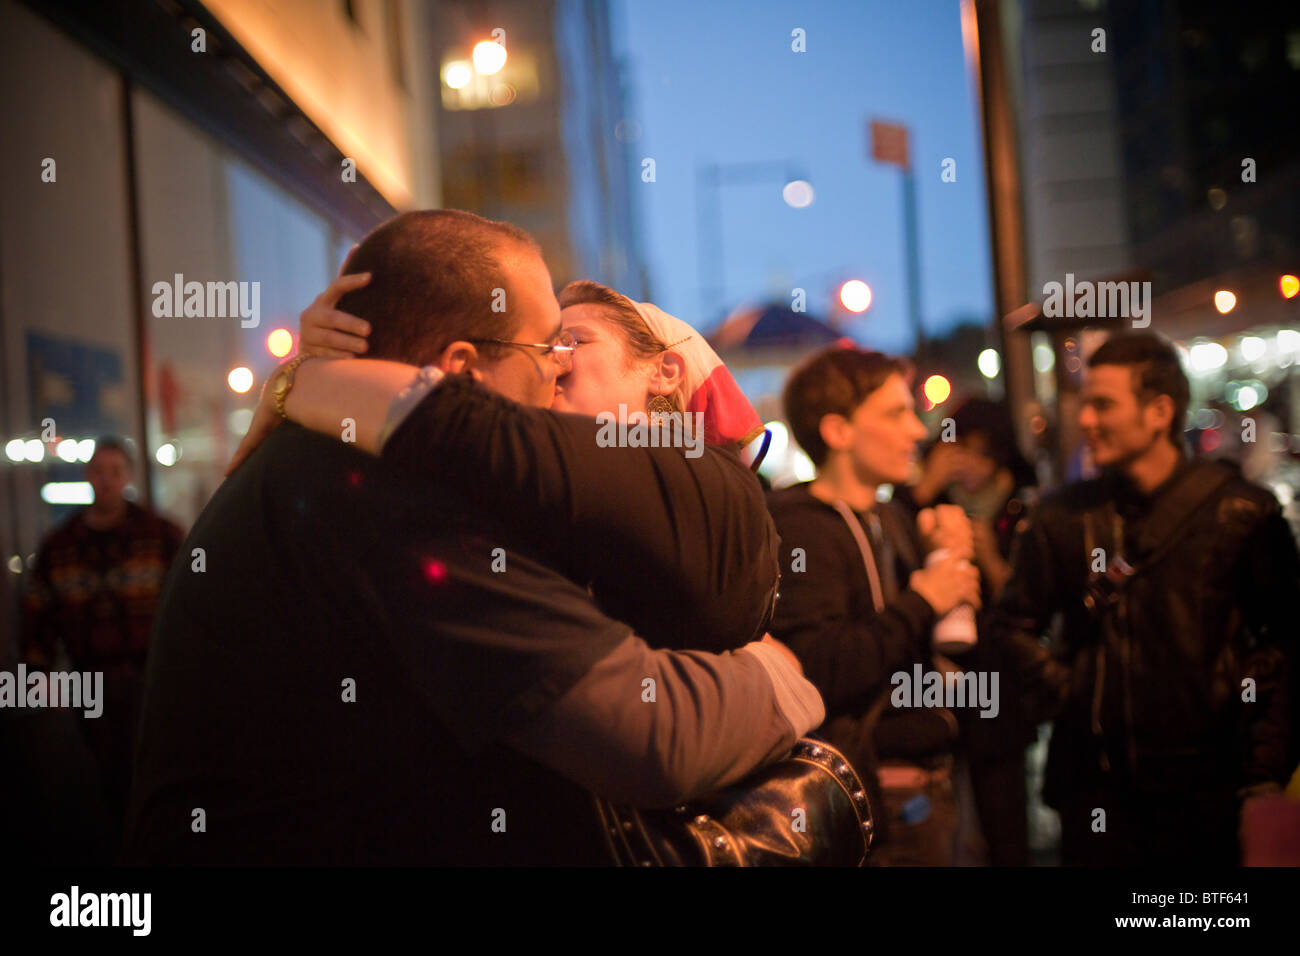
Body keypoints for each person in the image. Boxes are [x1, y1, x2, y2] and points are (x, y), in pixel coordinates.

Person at [126, 210, 822, 865]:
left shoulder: (338, 463)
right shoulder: (376, 493)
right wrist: (778, 674)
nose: (558, 365)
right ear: (462, 369)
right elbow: (650, 736)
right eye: (548, 343)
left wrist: (301, 383)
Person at [992, 332, 1300, 866]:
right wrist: (1072, 692)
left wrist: (1262, 773)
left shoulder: (1241, 514)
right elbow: (1011, 626)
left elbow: (1286, 642)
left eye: (1103, 404)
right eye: (1086, 402)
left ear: (1160, 411)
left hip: (1208, 798)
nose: (1086, 420)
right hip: (1095, 796)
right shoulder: (1061, 517)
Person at [765, 345, 983, 866]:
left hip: (933, 783)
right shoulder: (801, 528)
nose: (917, 430)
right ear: (838, 431)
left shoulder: (891, 517)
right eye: (895, 413)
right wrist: (925, 598)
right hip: (875, 802)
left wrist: (950, 571)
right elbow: (819, 669)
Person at [20, 437, 184, 854]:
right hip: (89, 679)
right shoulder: (60, 547)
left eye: (115, 472)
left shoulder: (161, 535)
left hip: (152, 678)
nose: (107, 481)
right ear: (87, 477)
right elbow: (37, 617)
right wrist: (36, 678)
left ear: (127, 477)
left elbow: (190, 605)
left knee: (154, 774)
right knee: (100, 781)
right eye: (98, 472)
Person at [894, 397, 1039, 864]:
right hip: (941, 692)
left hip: (1001, 693)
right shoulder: (930, 508)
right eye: (958, 450)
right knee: (947, 827)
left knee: (1004, 824)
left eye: (979, 451)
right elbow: (892, 570)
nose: (968, 464)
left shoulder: (1024, 510)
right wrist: (922, 491)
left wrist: (992, 562)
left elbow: (1032, 606)